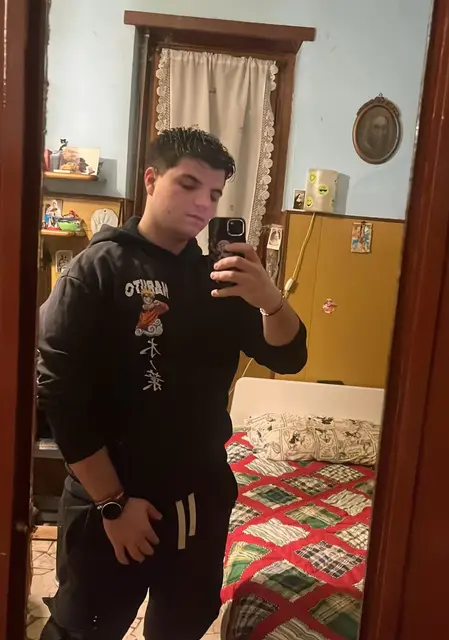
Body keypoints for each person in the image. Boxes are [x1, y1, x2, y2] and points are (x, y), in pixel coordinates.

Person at [37, 127, 307, 640]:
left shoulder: (220, 279)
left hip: (198, 501)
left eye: (214, 193)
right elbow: (62, 396)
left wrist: (271, 300)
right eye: (188, 184)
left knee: (180, 628)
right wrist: (114, 503)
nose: (203, 203)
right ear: (151, 179)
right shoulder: (97, 269)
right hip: (111, 497)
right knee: (82, 628)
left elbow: (288, 356)